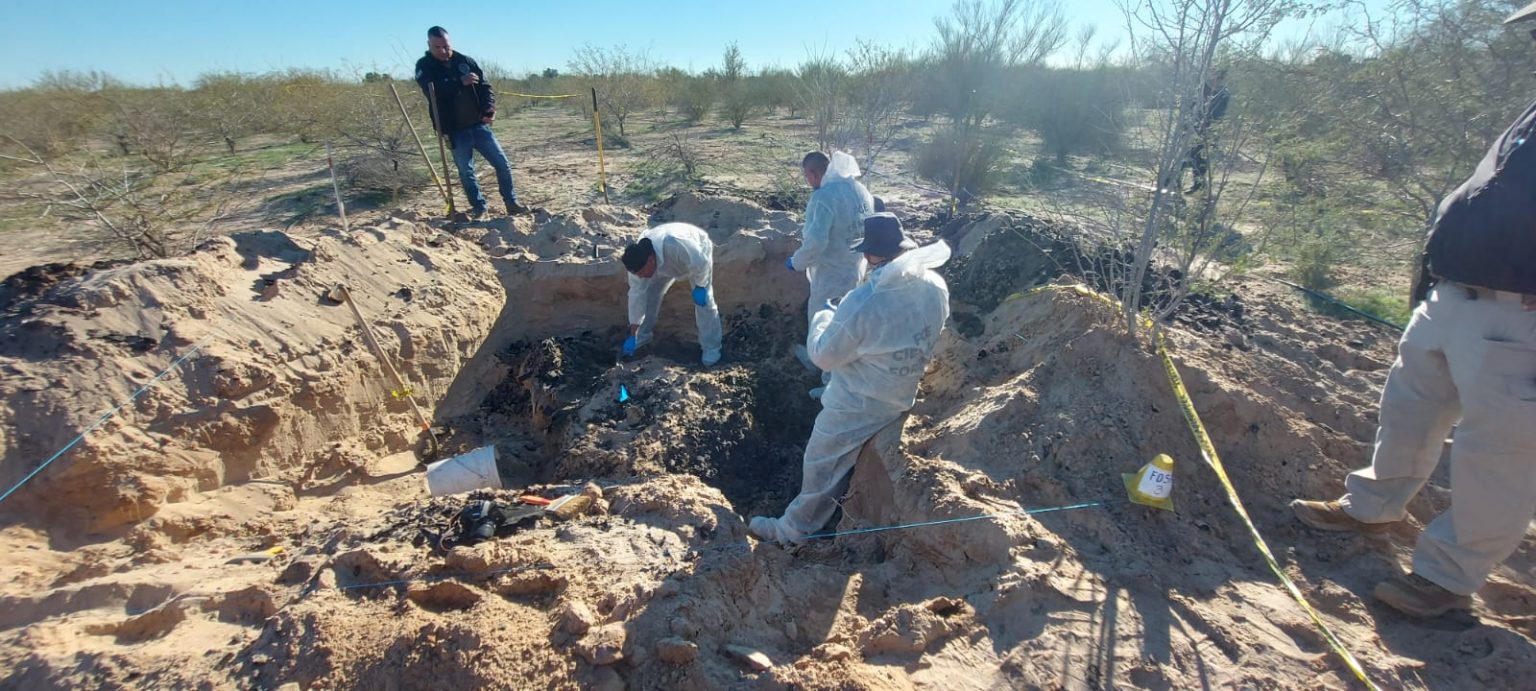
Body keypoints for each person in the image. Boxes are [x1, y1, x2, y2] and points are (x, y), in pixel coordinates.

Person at [1290, 3, 1536, 619]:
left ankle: (1448, 578)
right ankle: (1372, 509)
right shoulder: (1527, 117)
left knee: (1498, 454)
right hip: (1454, 299)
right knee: (1408, 412)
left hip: (1519, 318)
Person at [750, 213, 951, 545]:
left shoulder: (865, 301)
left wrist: (826, 315)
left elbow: (823, 356)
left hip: (860, 402)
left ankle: (793, 531)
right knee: (840, 458)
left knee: (820, 460)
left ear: (872, 254)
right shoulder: (934, 284)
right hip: (901, 392)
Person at [786, 151, 875, 396]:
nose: (808, 181)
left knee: (825, 322)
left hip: (831, 272)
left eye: (807, 176)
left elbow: (816, 242)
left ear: (813, 173)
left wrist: (796, 262)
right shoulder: (859, 190)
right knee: (846, 320)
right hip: (856, 266)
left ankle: (830, 383)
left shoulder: (824, 196)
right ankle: (820, 362)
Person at [414, 26, 523, 218]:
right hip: (454, 130)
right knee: (466, 171)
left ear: (451, 42)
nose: (443, 50)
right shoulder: (424, 66)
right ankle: (479, 207)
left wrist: (489, 108)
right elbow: (432, 91)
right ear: (429, 45)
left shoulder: (465, 61)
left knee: (502, 163)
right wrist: (458, 81)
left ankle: (511, 202)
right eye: (437, 47)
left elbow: (485, 87)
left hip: (478, 125)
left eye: (445, 46)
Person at [620, 223, 722, 367]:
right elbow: (637, 297)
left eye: (642, 273)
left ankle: (711, 349)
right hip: (662, 265)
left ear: (650, 260)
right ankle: (642, 336)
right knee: (650, 295)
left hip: (695, 256)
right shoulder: (638, 268)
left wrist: (700, 286)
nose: (641, 277)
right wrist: (632, 333)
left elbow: (701, 264)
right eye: (638, 274)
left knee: (704, 302)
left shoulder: (676, 245)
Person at [1183, 69, 1229, 194]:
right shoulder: (1202, 89)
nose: (1215, 80)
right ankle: (1175, 184)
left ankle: (1199, 185)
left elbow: (1219, 114)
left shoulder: (1224, 94)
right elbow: (1192, 107)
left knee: (1201, 158)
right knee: (1187, 156)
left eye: (1219, 78)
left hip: (1209, 130)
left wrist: (1210, 128)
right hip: (1194, 128)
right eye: (1214, 76)